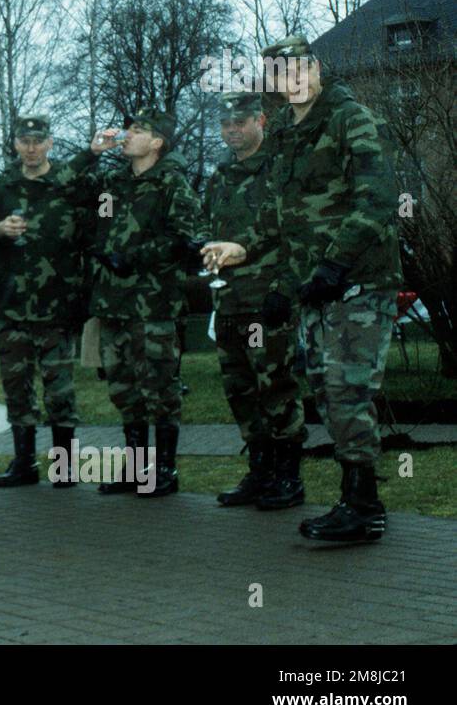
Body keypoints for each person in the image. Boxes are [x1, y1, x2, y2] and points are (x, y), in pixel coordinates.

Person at [204, 35, 401, 542]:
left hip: (357, 283)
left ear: (314, 67)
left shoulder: (349, 117)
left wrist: (335, 265)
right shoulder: (292, 132)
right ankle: (355, 501)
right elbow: (284, 220)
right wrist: (248, 253)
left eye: (295, 69)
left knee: (347, 392)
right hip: (315, 288)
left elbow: (378, 199)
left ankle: (363, 507)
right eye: (277, 74)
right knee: (328, 394)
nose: (288, 80)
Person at [73, 109, 201, 497]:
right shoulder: (113, 183)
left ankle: (164, 470)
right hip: (113, 303)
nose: (128, 135)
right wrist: (92, 154)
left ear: (157, 142)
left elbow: (185, 239)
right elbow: (72, 192)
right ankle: (135, 469)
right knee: (124, 390)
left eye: (138, 130)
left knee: (159, 388)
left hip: (153, 304)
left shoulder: (171, 184)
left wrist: (134, 256)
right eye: (128, 128)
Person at [0, 116, 90, 489]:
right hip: (12, 305)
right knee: (17, 387)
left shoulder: (69, 184)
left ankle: (64, 465)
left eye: (38, 140)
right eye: (24, 140)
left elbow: (94, 230)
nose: (32, 147)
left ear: (50, 143)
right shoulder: (1, 186)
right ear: (15, 144)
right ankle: (23, 463)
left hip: (57, 306)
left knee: (60, 390)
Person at [203, 92, 306, 509]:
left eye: (241, 122)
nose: (232, 130)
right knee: (240, 390)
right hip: (228, 302)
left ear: (260, 121)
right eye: (226, 124)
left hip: (266, 302)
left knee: (274, 387)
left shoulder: (281, 169)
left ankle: (288, 478)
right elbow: (205, 226)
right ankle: (260, 472)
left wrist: (285, 289)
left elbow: (296, 234)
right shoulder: (220, 176)